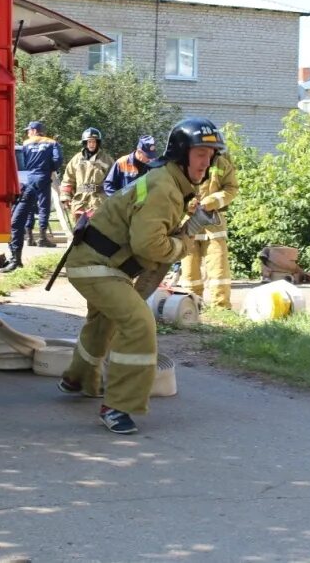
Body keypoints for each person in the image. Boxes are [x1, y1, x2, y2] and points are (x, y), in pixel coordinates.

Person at [58, 118, 224, 434]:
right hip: (96, 266)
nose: (207, 161)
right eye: (200, 153)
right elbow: (150, 245)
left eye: (211, 154)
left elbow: (156, 236)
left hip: (98, 263)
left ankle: (76, 379)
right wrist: (186, 240)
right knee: (138, 323)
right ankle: (118, 406)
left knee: (104, 321)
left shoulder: (170, 182)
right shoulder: (166, 187)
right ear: (181, 153)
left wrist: (189, 227)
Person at [178, 150, 239, 308]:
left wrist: (210, 202)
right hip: (188, 220)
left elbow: (231, 188)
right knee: (189, 268)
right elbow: (172, 188)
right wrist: (187, 203)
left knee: (218, 265)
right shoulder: (182, 159)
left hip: (213, 222)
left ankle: (221, 306)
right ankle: (191, 305)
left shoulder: (221, 162)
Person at [0, 121, 62, 272]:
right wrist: (48, 169)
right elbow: (58, 161)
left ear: (34, 131)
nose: (28, 133)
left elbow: (26, 161)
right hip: (43, 177)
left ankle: (26, 240)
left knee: (23, 213)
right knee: (43, 206)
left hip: (29, 179)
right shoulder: (52, 143)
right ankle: (42, 237)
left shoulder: (26, 143)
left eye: (29, 130)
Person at [60, 127, 115, 221]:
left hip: (99, 200)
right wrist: (65, 197)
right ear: (85, 143)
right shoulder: (76, 160)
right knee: (79, 230)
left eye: (94, 142)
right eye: (89, 142)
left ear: (98, 143)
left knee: (97, 229)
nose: (92, 144)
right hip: (80, 200)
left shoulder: (107, 160)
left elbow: (113, 181)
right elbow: (68, 179)